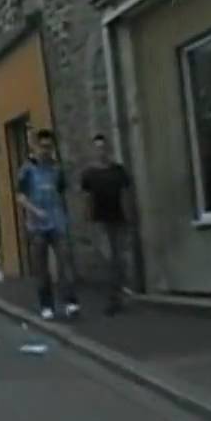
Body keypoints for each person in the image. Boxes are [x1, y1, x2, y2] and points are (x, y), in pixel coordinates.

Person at [16, 128, 79, 320]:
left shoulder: (57, 170)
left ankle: (70, 301)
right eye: (42, 147)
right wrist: (35, 211)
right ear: (36, 147)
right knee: (41, 268)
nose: (46, 151)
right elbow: (20, 197)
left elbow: (62, 193)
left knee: (65, 262)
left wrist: (64, 215)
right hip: (37, 226)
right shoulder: (27, 170)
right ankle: (46, 305)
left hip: (57, 222)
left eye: (49, 147)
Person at [80, 134, 134, 315]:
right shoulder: (89, 174)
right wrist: (88, 220)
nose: (100, 151)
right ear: (93, 151)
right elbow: (87, 198)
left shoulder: (118, 171)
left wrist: (128, 216)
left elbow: (126, 194)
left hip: (118, 219)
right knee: (109, 258)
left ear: (108, 149)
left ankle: (119, 294)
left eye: (103, 147)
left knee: (119, 259)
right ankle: (114, 296)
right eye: (97, 148)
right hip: (100, 221)